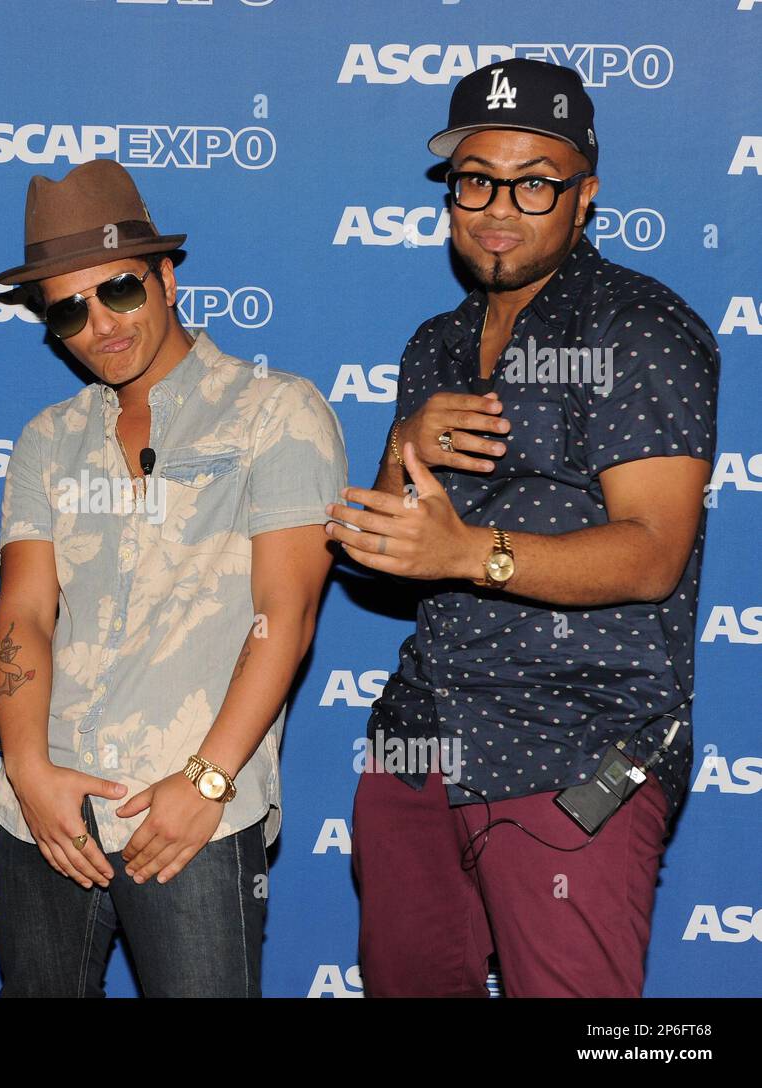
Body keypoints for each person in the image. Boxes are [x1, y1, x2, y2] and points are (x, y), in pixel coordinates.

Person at [326, 59, 719, 997]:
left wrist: (469, 552)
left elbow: (654, 553)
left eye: (534, 181)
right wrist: (403, 445)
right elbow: (384, 558)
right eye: (477, 179)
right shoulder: (436, 344)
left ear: (584, 196)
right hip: (420, 743)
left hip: (576, 749)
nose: (499, 206)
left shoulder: (642, 329)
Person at [0, 158, 347, 997]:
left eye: (118, 291)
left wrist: (209, 779)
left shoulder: (276, 411)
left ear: (167, 277)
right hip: (45, 815)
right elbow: (26, 618)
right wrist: (29, 773)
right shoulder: (47, 438)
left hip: (189, 817)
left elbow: (284, 615)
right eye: (68, 310)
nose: (100, 325)